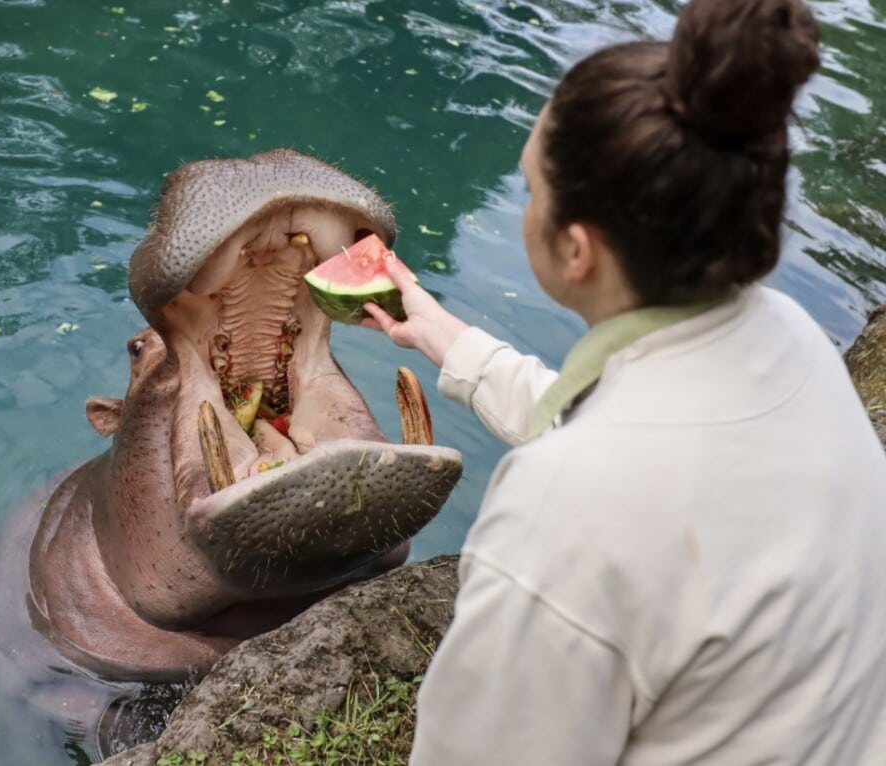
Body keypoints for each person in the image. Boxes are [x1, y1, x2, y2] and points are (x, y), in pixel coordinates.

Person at [362, 0, 886, 762]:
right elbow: (628, 430)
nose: (526, 207)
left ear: (577, 250)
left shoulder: (561, 513)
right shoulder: (791, 340)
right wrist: (444, 336)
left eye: (533, 189)